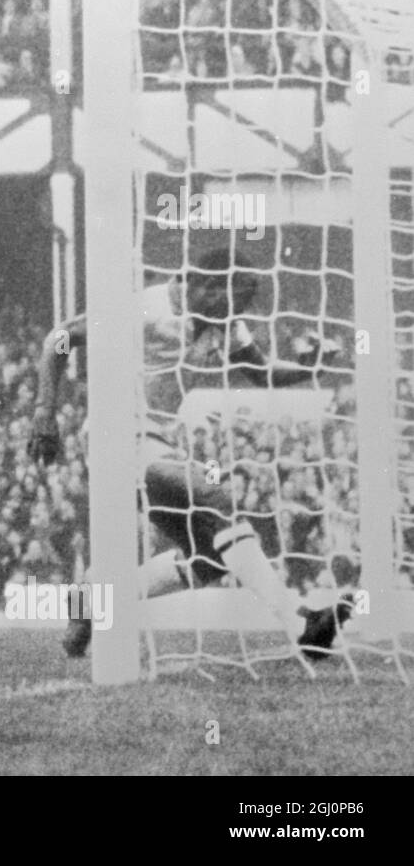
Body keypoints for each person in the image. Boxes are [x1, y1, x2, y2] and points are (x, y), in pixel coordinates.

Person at [28, 244, 352, 660]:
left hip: (157, 441)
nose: (238, 311)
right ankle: (300, 624)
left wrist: (310, 367)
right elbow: (60, 338)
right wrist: (44, 411)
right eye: (235, 299)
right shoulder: (148, 308)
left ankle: (91, 598)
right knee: (216, 497)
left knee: (210, 559)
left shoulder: (222, 322)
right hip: (116, 436)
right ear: (205, 286)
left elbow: (262, 372)